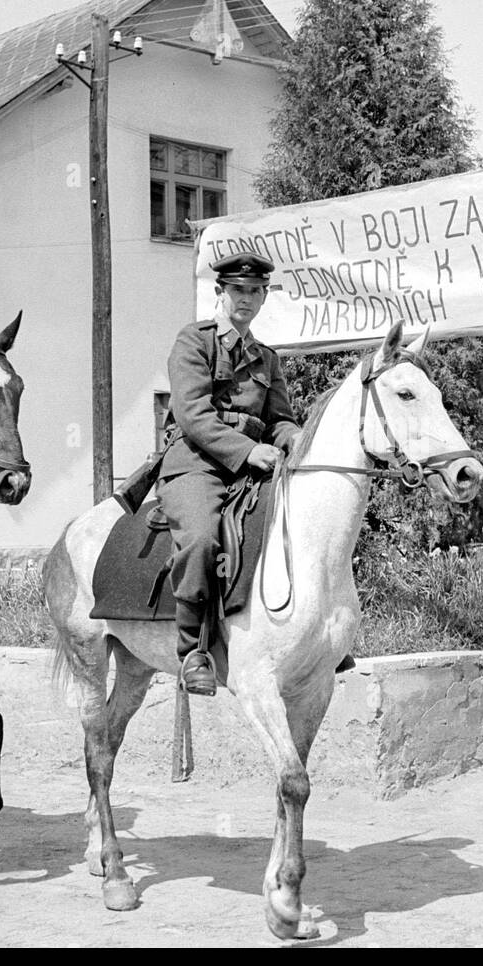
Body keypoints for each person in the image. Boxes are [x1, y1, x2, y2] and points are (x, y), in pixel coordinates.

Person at [155, 252, 301, 698]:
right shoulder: (194, 341)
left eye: (256, 291)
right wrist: (248, 450)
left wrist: (297, 437)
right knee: (201, 538)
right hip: (197, 462)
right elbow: (194, 416)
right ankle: (192, 652)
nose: (248, 299)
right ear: (221, 292)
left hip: (254, 467)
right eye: (239, 290)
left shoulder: (266, 358)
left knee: (294, 530)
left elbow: (279, 418)